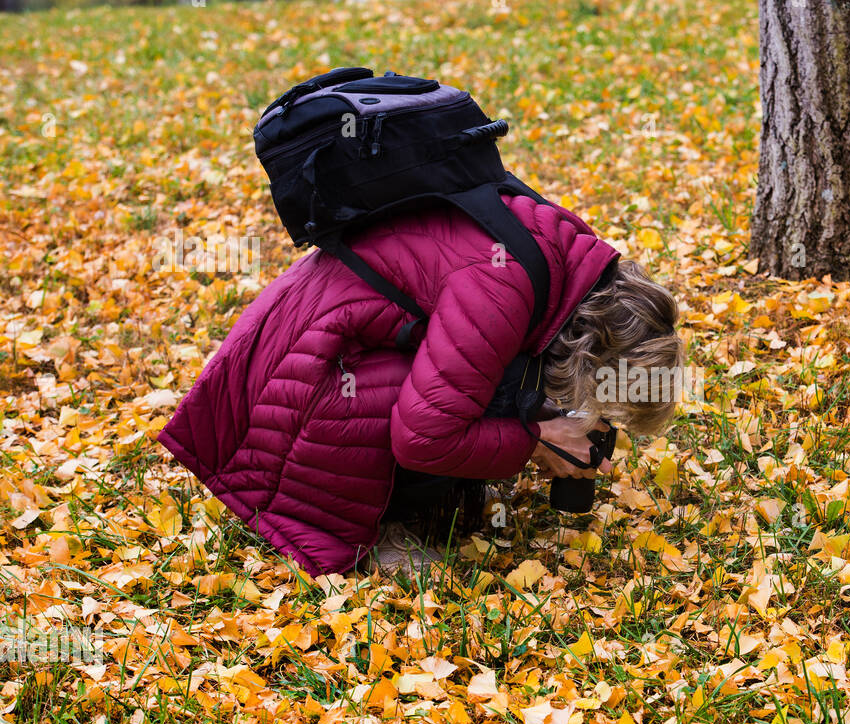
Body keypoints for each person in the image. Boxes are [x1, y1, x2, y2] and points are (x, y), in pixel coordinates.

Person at [158, 193, 682, 579]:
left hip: (297, 351)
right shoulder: (503, 286)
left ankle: (414, 501)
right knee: (462, 402)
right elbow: (422, 436)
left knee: (483, 378)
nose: (588, 412)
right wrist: (537, 437)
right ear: (594, 354)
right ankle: (381, 532)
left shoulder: (567, 258)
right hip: (291, 386)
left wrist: (538, 421)